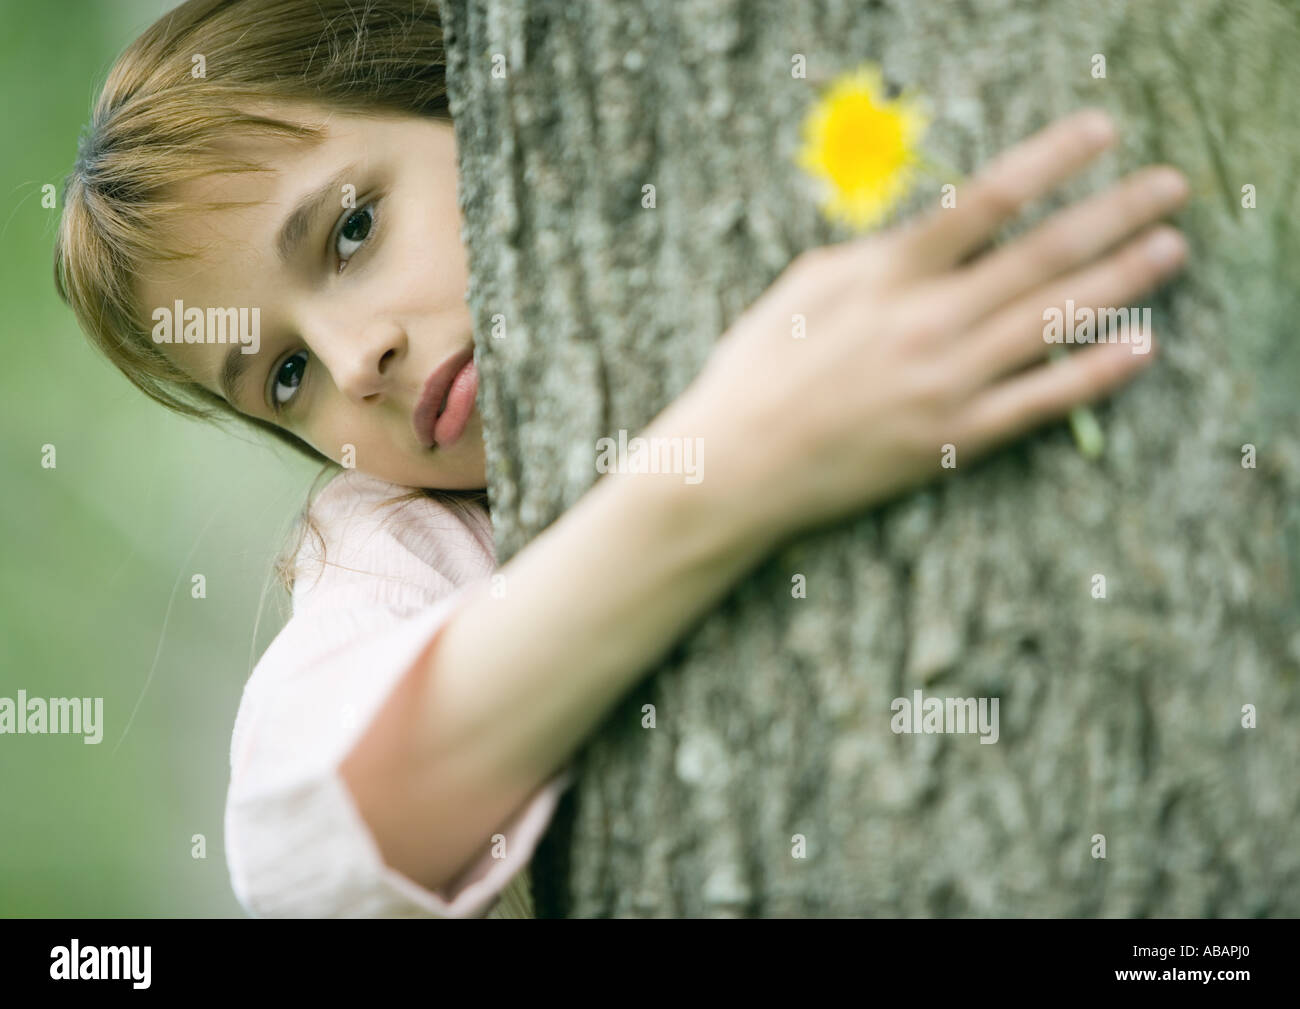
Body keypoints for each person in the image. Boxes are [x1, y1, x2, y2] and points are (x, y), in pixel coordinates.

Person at [53, 0, 1190, 917]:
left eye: (352, 228)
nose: (359, 361)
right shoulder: (392, 543)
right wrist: (739, 462)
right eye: (283, 377)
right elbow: (302, 848)